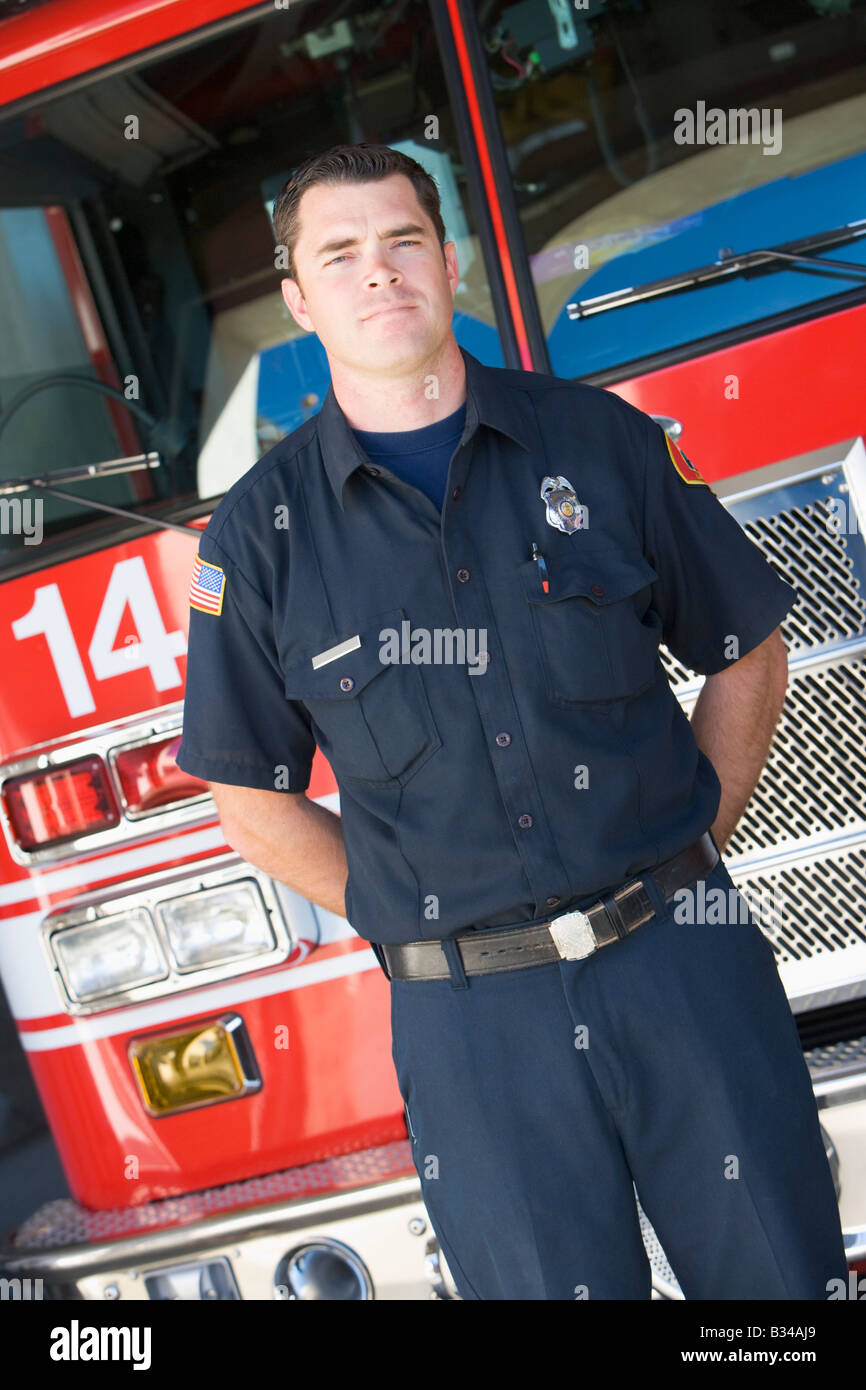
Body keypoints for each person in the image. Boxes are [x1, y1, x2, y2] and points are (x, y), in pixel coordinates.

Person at [175, 142, 849, 1300]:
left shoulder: (599, 442)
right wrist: (424, 912)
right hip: (473, 1029)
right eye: (338, 255)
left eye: (401, 242)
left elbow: (746, 648)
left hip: (682, 969)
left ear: (450, 261)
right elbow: (251, 795)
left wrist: (683, 854)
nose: (377, 273)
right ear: (297, 301)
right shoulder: (257, 538)